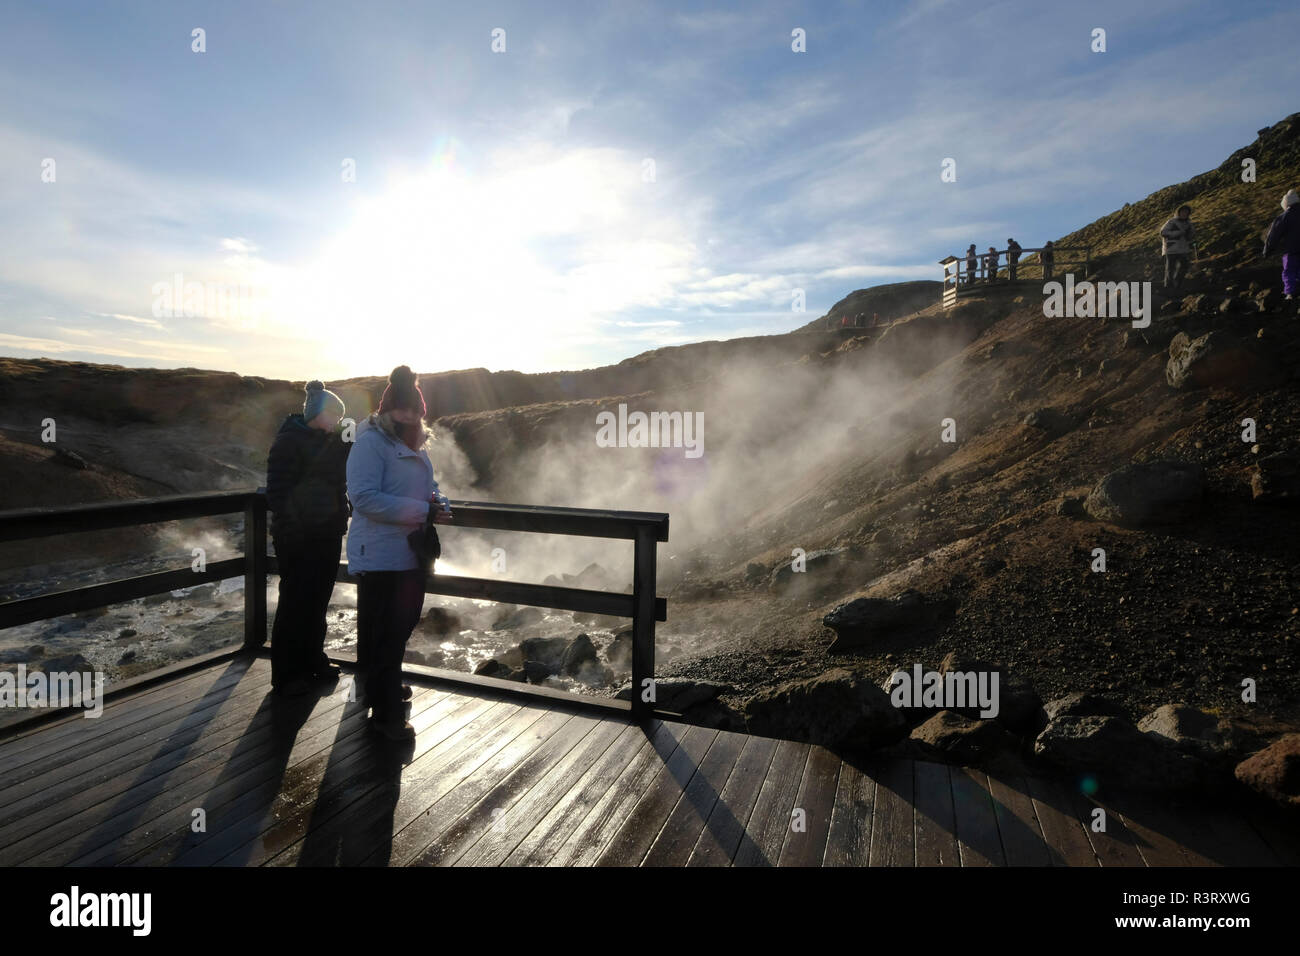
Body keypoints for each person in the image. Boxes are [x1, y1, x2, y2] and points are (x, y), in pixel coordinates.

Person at [346, 365, 452, 741]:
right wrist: (422, 510)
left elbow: (428, 484)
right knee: (387, 632)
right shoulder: (370, 443)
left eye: (416, 413)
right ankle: (387, 717)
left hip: (411, 553)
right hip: (378, 554)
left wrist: (437, 500)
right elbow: (363, 498)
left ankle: (383, 689)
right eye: (404, 413)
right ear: (387, 412)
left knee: (399, 628)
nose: (411, 419)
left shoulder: (415, 445)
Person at [266, 381, 351, 696]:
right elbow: (278, 493)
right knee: (295, 603)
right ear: (319, 413)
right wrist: (297, 530)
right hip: (297, 539)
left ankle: (313, 660)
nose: (337, 421)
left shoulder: (329, 441)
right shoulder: (289, 441)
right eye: (334, 415)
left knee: (317, 601)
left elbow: (345, 475)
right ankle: (287, 675)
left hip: (327, 534)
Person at [1263, 188, 1300, 300]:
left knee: (1289, 272)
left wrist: (1267, 250)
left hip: (1292, 251)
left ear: (1286, 204)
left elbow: (1273, 235)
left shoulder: (1284, 217)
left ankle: (1290, 294)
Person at [1159, 204, 1195, 290]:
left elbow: (1191, 235)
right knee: (1170, 268)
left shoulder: (1189, 224)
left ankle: (1177, 283)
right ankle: (1168, 286)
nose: (1184, 214)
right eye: (1183, 212)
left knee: (1185, 265)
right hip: (1171, 248)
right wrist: (1178, 233)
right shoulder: (1172, 222)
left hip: (1183, 249)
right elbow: (1163, 232)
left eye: (1186, 212)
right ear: (1179, 212)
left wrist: (1190, 234)